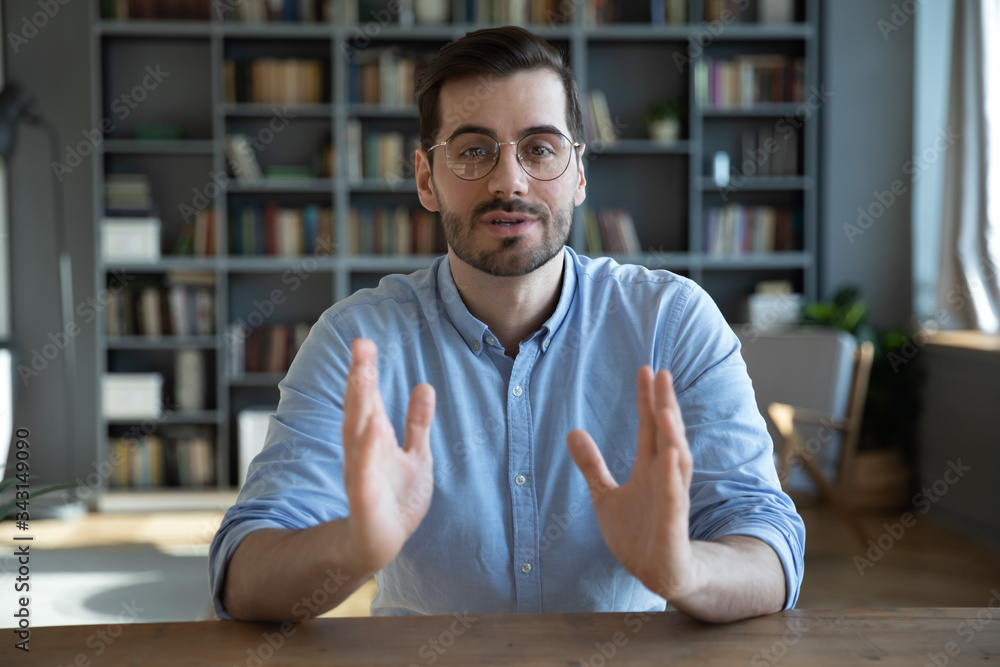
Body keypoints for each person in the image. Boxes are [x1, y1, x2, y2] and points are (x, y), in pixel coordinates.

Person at [209, 25, 805, 623]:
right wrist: (352, 547)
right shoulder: (356, 341)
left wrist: (685, 570)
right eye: (473, 150)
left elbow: (769, 546)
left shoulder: (672, 322)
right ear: (426, 179)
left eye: (540, 148)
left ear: (578, 173)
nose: (509, 181)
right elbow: (243, 572)